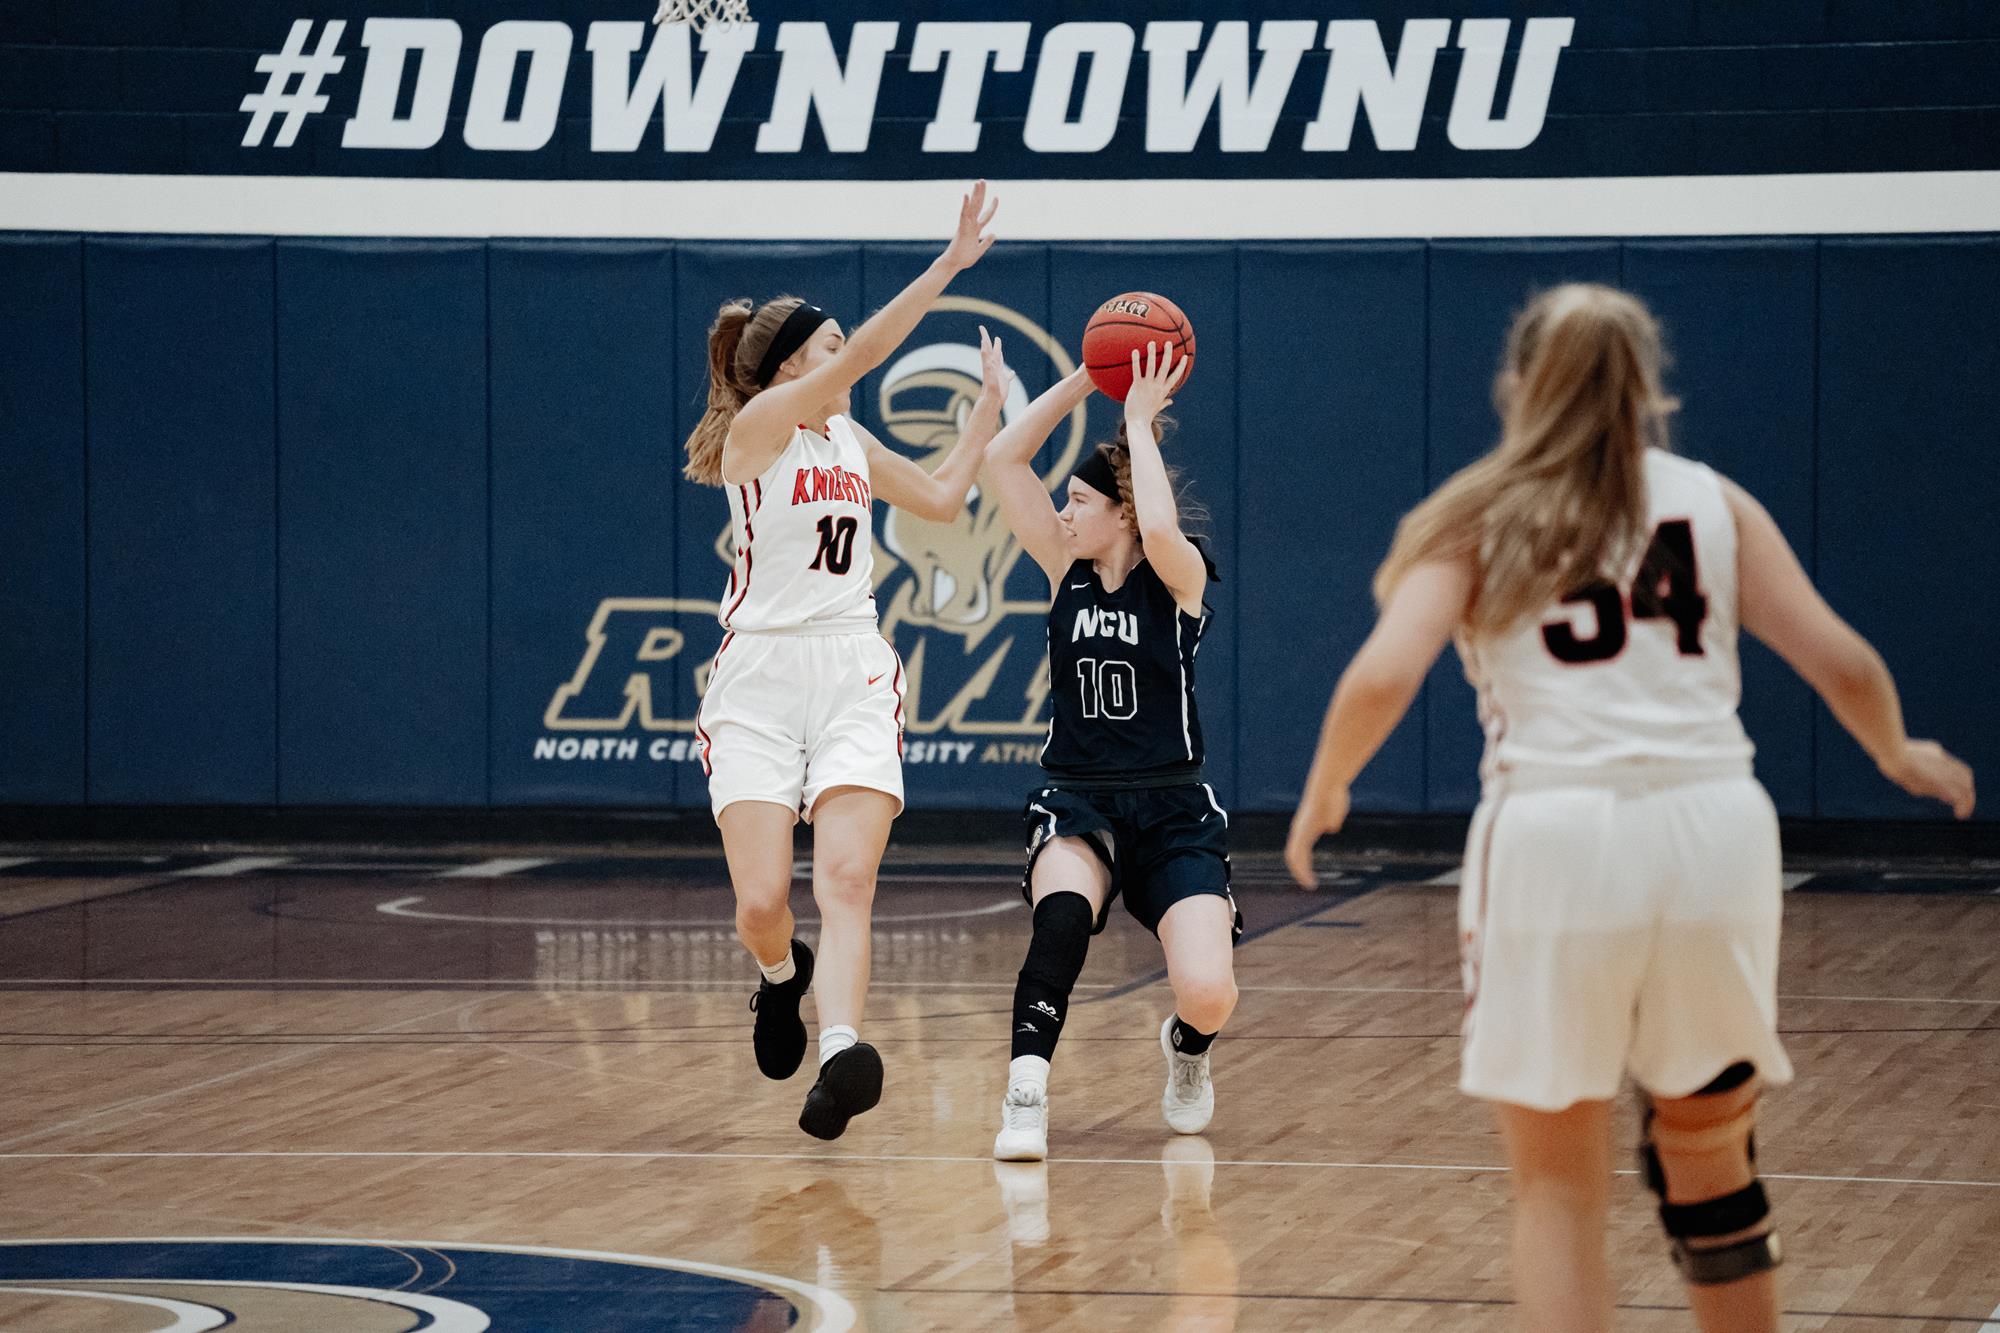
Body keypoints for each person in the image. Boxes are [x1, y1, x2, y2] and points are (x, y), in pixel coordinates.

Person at [1285, 283, 1976, 1332]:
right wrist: (1896, 749)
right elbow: (1837, 657)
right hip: (1714, 833)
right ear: (1646, 390)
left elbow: (1381, 676)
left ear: (1515, 388)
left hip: (1556, 833)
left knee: (1558, 1188)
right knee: (1708, 1155)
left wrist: (1327, 784)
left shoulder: (1476, 512)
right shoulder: (1711, 499)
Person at [683, 182, 1007, 1140]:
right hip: (759, 677)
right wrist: (948, 266)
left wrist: (985, 414)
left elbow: (945, 501)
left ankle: (844, 1052)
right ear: (789, 368)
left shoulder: (847, 437)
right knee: (759, 903)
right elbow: (867, 348)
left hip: (852, 664)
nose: (847, 364)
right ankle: (782, 978)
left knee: (850, 881)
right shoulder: (762, 429)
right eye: (829, 352)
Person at [979, 343, 1241, 1162]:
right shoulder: (1065, 570)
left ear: (1119, 513)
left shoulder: (1178, 575)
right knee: (1061, 920)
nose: (1062, 510)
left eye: (1079, 499)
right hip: (1079, 796)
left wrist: (1135, 419)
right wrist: (1088, 378)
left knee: (1208, 992)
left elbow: (1159, 522)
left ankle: (1188, 1048)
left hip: (1172, 806)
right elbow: (1001, 457)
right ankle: (1026, 1094)